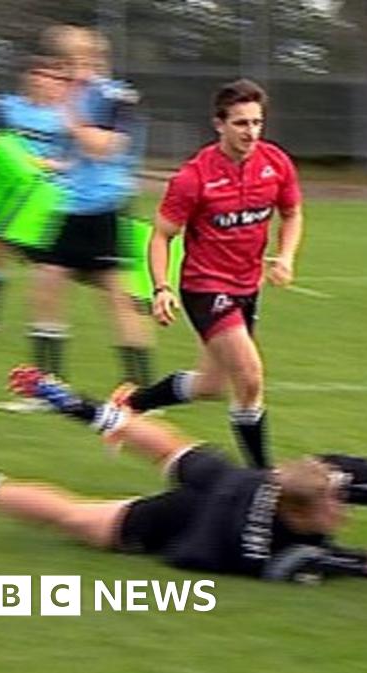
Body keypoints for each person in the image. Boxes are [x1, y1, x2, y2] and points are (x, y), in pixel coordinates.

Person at [0, 366, 367, 582]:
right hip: (193, 524)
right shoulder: (295, 554)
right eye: (332, 507)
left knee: (158, 440)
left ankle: (73, 403)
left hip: (228, 482)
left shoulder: (283, 484)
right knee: (78, 519)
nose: (342, 513)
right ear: (300, 513)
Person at [111, 78, 303, 470]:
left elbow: (292, 213)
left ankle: (132, 403)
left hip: (247, 285)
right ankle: (262, 478)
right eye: (241, 123)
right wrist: (162, 288)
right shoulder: (194, 177)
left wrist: (285, 257)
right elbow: (161, 236)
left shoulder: (276, 164)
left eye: (257, 122)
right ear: (219, 124)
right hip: (205, 286)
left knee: (211, 385)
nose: (251, 132)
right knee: (249, 376)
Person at [0, 26, 153, 412]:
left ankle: (144, 395)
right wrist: (46, 163)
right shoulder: (73, 95)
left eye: (73, 62)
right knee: (45, 289)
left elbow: (102, 147)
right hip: (69, 206)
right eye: (64, 64)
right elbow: (74, 156)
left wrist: (69, 115)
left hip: (105, 208)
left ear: (93, 61)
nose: (67, 71)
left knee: (119, 301)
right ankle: (50, 392)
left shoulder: (115, 96)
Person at [0, 55, 72, 337]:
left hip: (46, 194)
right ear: (28, 77)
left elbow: (77, 161)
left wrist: (49, 164)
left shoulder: (69, 118)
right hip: (8, 191)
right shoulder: (5, 106)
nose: (45, 82)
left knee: (51, 262)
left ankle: (46, 324)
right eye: (39, 75)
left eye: (54, 78)